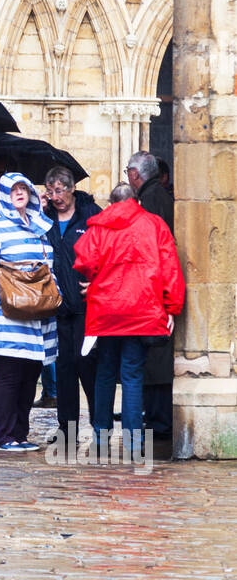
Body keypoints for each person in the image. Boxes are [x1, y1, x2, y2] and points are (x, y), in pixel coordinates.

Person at [73, 182, 185, 463]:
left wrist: (96, 280)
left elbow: (84, 261)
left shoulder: (98, 227)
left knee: (106, 372)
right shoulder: (155, 224)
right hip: (142, 310)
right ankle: (135, 442)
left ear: (111, 203)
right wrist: (172, 306)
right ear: (136, 200)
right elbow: (170, 267)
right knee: (133, 375)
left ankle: (100, 436)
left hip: (107, 310)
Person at [0, 173, 60, 453]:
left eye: (24, 188)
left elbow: (49, 266)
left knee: (29, 374)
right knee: (9, 375)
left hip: (37, 315)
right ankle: (2, 436)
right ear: (5, 194)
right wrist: (2, 296)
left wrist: (51, 290)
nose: (20, 193)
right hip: (6, 317)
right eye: (14, 189)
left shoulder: (40, 228)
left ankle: (20, 433)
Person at [43, 165, 101, 442]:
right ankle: (67, 430)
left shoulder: (91, 215)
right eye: (51, 191)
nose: (56, 196)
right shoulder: (44, 218)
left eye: (60, 190)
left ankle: (100, 424)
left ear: (72, 188)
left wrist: (99, 283)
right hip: (57, 306)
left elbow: (109, 253)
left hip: (87, 306)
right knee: (63, 367)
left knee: (87, 363)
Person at [126, 150, 175, 438]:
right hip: (155, 287)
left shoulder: (152, 199)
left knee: (156, 357)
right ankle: (155, 417)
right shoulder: (155, 195)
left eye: (128, 172)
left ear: (135, 174)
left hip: (154, 289)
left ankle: (159, 421)